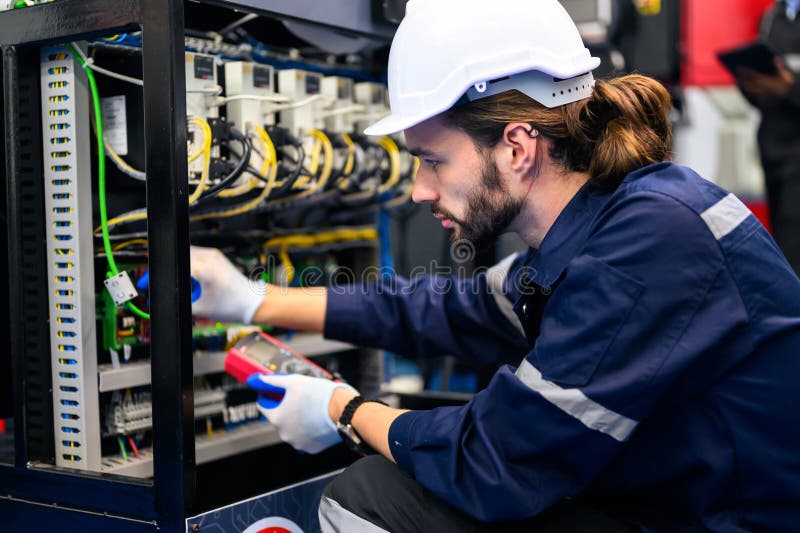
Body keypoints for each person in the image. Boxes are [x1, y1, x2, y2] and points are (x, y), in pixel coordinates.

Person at [192, 0, 800, 530]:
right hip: (664, 502)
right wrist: (251, 300)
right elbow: (444, 310)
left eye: (432, 160)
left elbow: (495, 463)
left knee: (370, 500)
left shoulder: (648, 244)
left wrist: (342, 411)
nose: (418, 191)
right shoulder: (599, 224)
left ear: (516, 146)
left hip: (717, 522)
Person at [735, 0, 800, 274]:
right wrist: (753, 85)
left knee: (792, 244)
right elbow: (764, 95)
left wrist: (789, 88)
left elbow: (787, 85)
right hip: (773, 149)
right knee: (782, 240)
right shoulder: (772, 16)